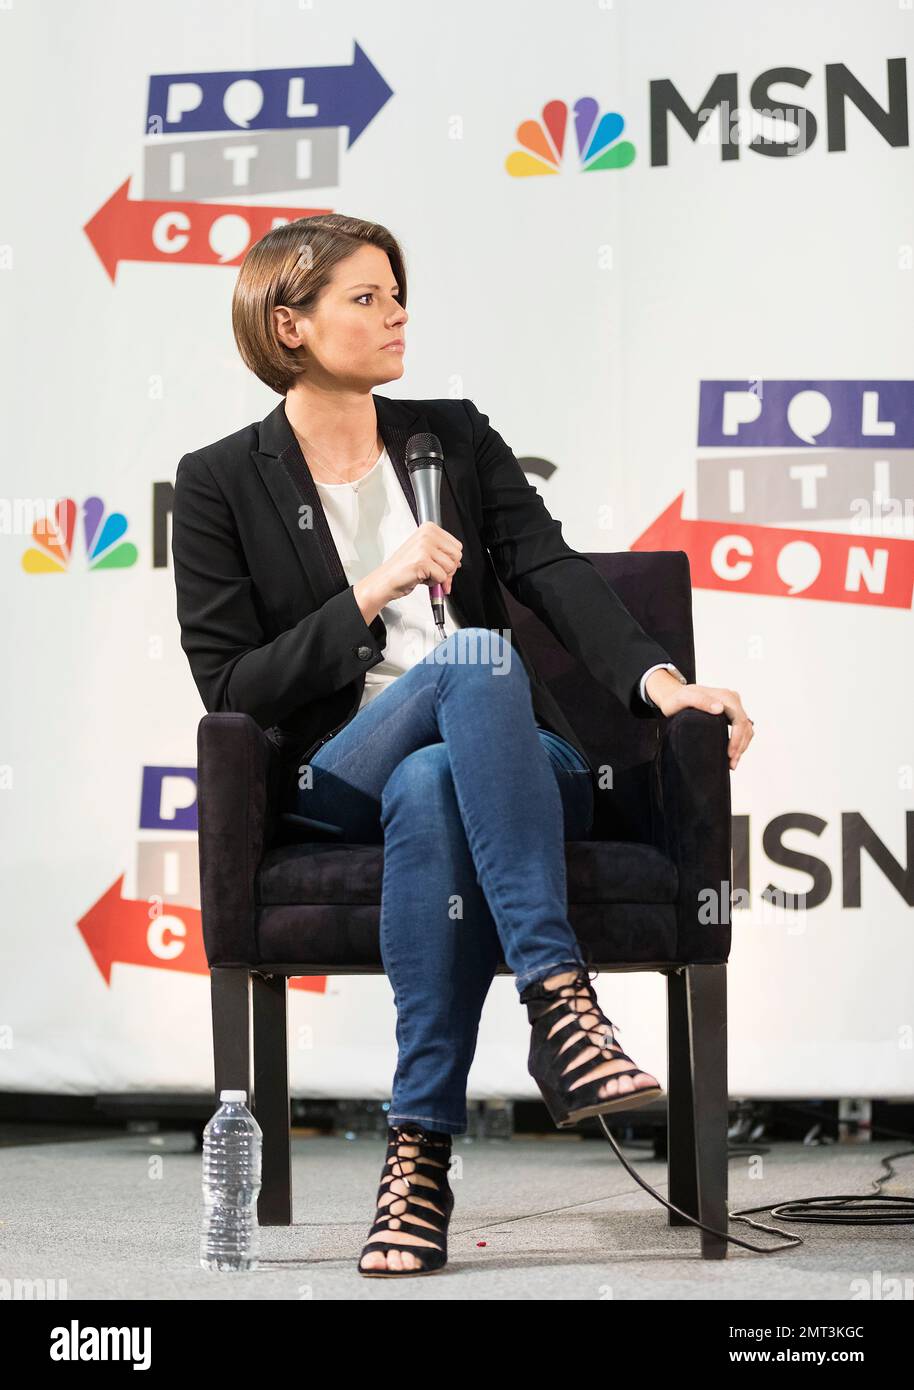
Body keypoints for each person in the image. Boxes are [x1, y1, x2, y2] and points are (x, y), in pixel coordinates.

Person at [172, 213, 754, 1279]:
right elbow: (231, 687)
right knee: (475, 656)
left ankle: (417, 1152)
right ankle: (557, 997)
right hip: (335, 769)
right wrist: (372, 588)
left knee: (444, 768)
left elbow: (554, 568)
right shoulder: (218, 482)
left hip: (510, 766)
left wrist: (665, 684)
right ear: (287, 323)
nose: (396, 314)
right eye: (365, 297)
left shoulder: (448, 435)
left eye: (398, 293)